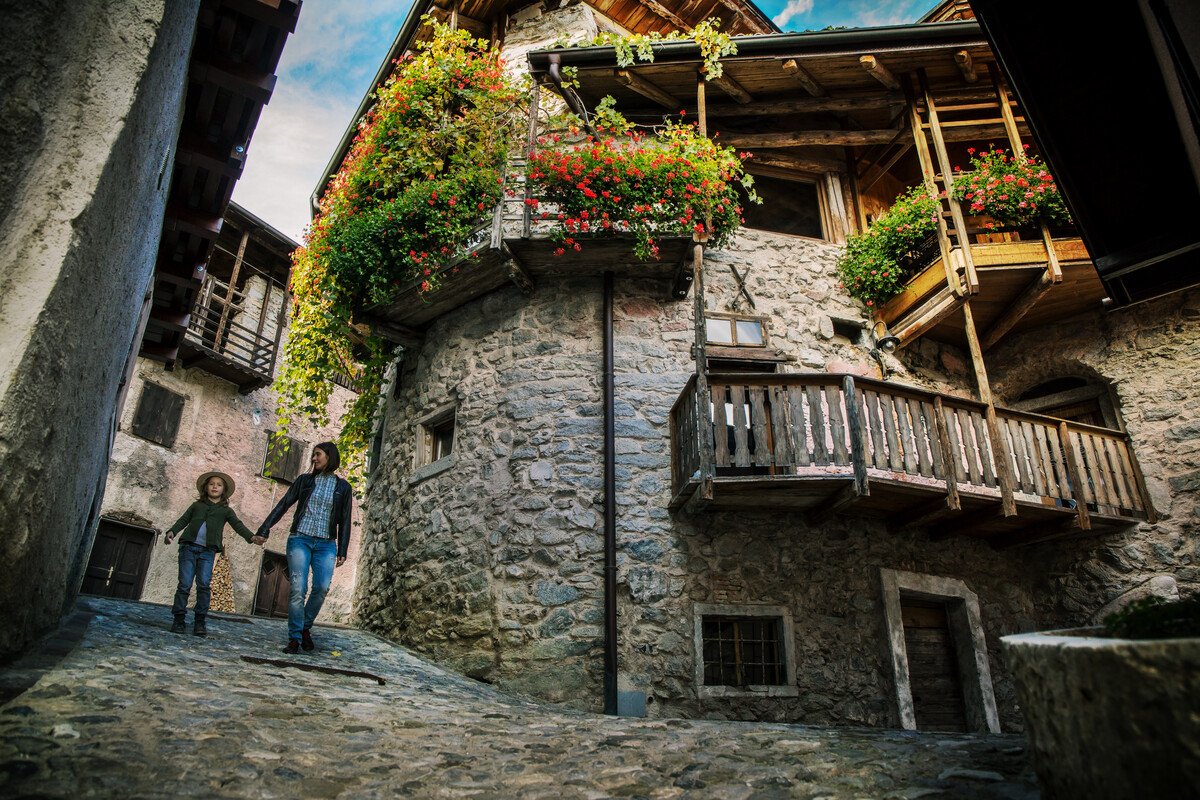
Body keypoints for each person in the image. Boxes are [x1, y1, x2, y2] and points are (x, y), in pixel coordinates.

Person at [257, 442, 353, 654]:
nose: (314, 459)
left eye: (318, 455)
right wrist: (265, 528)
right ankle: (294, 638)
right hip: (300, 539)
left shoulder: (343, 487)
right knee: (299, 590)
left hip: (326, 544)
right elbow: (284, 504)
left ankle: (304, 628)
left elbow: (345, 520)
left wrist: (342, 550)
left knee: (321, 588)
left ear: (330, 456)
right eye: (313, 455)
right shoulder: (305, 481)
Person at [165, 471, 265, 636]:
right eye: (212, 484)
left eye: (219, 485)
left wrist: (252, 537)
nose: (215, 487)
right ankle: (179, 619)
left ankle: (200, 621)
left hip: (207, 551)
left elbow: (238, 525)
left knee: (204, 585)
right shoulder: (197, 506)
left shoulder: (226, 511)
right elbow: (183, 519)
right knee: (184, 585)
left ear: (223, 490)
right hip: (188, 548)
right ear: (206, 487)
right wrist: (172, 532)